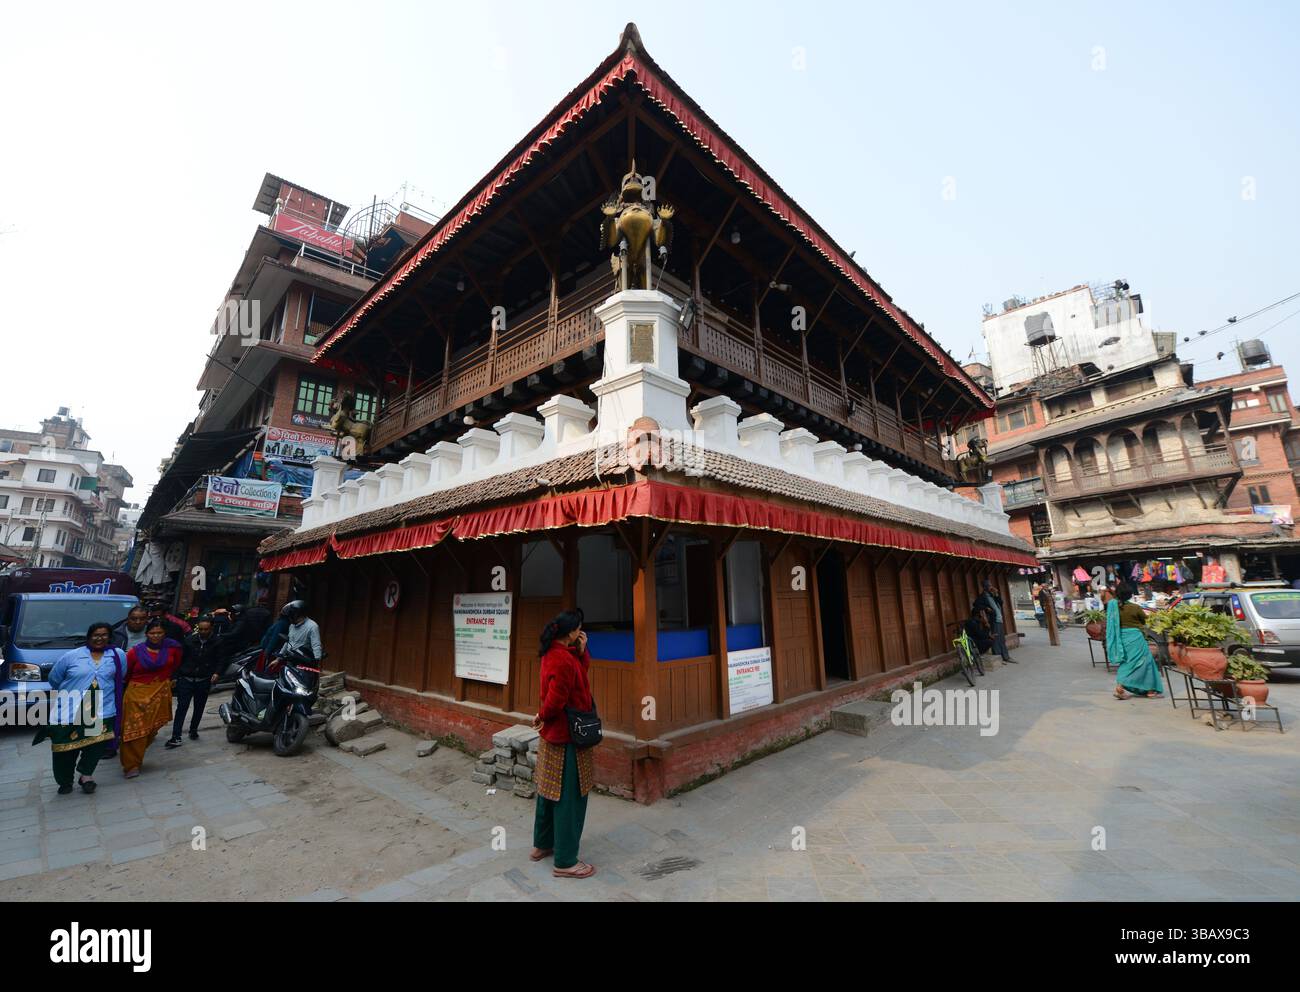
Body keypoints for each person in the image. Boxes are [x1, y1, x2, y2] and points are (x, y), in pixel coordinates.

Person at [530, 609, 596, 879]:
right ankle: (566, 860)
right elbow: (558, 699)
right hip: (568, 737)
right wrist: (542, 715)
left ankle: (542, 845)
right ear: (570, 632)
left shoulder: (555, 654)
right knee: (570, 798)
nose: (580, 632)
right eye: (578, 628)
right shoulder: (564, 660)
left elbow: (579, 675)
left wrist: (582, 651)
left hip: (552, 736)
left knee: (548, 792)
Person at [37, 623, 124, 795]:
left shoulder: (117, 655)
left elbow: (120, 677)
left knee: (95, 747)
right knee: (64, 747)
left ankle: (86, 775)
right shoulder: (72, 656)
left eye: (104, 635)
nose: (100, 638)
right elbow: (55, 679)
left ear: (110, 637)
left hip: (102, 709)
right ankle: (65, 780)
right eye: (96, 635)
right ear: (88, 637)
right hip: (69, 709)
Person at [119, 620, 183, 778]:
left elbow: (175, 666)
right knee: (133, 731)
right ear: (146, 634)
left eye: (159, 633)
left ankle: (137, 756)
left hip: (160, 693)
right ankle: (131, 765)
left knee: (150, 730)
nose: (156, 636)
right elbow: (125, 674)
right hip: (136, 694)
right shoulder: (135, 652)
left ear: (164, 634)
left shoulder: (173, 649)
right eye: (152, 633)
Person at [166, 617, 223, 748]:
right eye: (201, 629)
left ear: (211, 629)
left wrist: (217, 673)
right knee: (182, 707)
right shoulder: (189, 640)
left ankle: (193, 730)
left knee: (199, 707)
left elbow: (221, 659)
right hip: (186, 678)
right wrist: (176, 676)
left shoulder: (218, 642)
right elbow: (180, 659)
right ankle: (176, 736)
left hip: (204, 679)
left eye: (206, 629)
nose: (203, 632)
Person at [1104, 583, 1163, 699]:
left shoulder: (1112, 606)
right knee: (1147, 662)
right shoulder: (1135, 608)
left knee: (1127, 662)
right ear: (1130, 595)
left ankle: (1122, 688)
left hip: (1121, 638)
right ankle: (1149, 691)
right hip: (1136, 638)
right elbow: (1145, 620)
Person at [974, 579, 1014, 664]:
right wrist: (986, 608)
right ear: (985, 587)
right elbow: (976, 605)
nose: (991, 587)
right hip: (993, 619)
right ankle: (998, 657)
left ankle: (1006, 657)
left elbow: (1001, 603)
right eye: (989, 585)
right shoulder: (982, 596)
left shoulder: (992, 595)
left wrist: (996, 594)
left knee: (1002, 639)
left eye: (990, 585)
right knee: (995, 639)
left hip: (999, 619)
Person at [278, 600, 322, 664]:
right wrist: (279, 657)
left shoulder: (312, 626)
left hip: (303, 661)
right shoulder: (292, 626)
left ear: (299, 613)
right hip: (290, 660)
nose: (290, 618)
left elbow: (316, 645)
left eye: (292, 614)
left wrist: (317, 659)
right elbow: (288, 642)